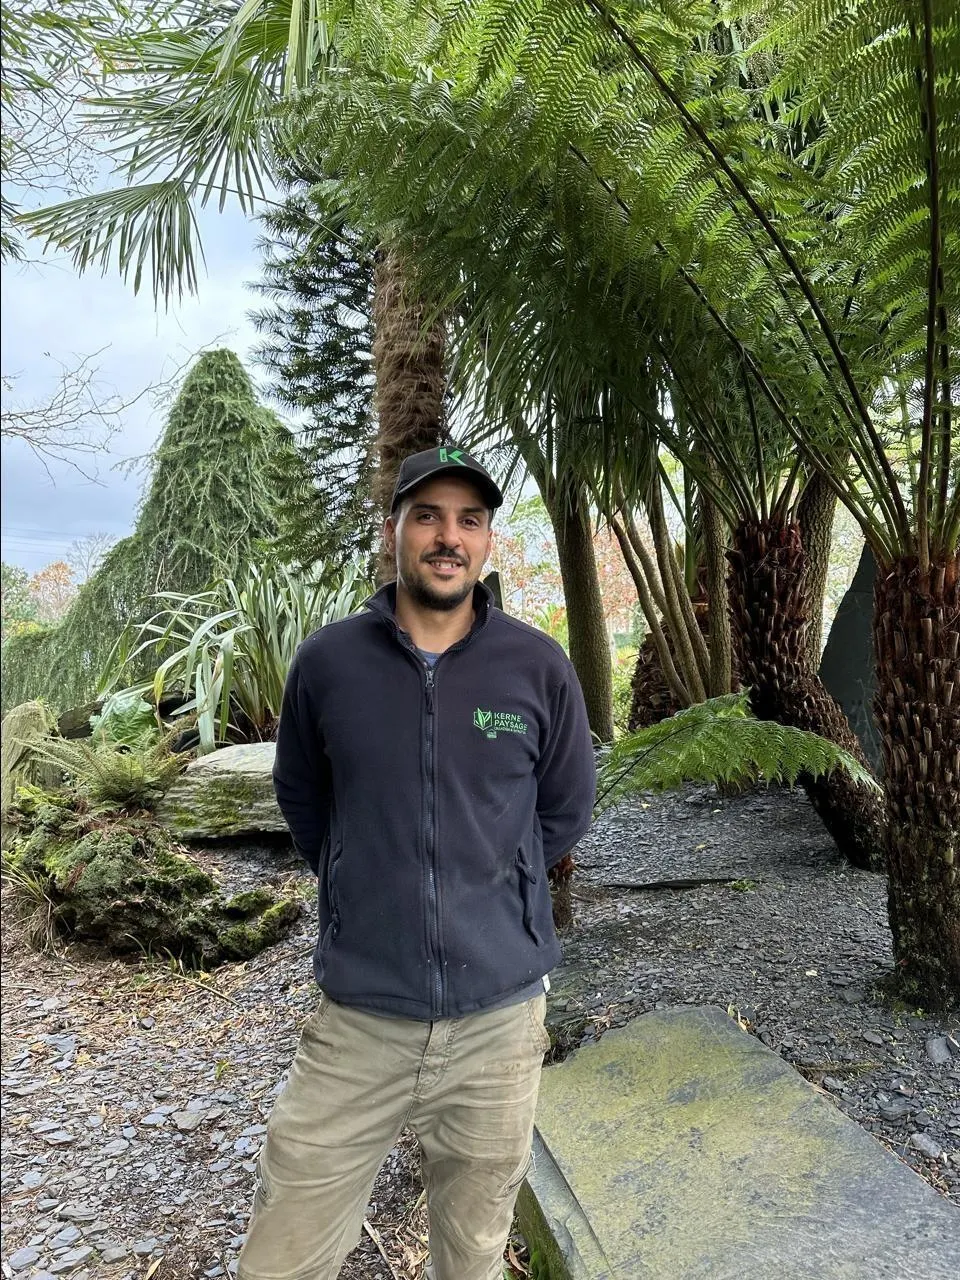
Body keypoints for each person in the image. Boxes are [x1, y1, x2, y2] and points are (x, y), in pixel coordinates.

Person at [236, 445, 596, 1280]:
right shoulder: (328, 664)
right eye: (427, 515)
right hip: (360, 1018)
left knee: (470, 1255)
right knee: (282, 1250)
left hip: (498, 1026)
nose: (448, 536)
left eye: (469, 520)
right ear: (393, 529)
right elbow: (303, 796)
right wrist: (365, 878)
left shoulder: (537, 668)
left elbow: (565, 806)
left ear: (488, 542)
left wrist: (495, 879)